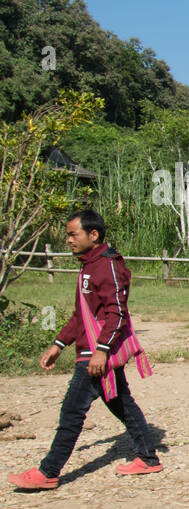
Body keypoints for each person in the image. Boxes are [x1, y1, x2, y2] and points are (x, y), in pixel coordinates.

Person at [7, 210, 161, 490]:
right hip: (90, 348)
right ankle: (148, 458)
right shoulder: (89, 265)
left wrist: (102, 350)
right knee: (121, 403)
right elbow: (81, 315)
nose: (68, 240)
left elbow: (117, 313)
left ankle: (49, 471)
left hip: (96, 352)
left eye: (72, 234)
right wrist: (58, 343)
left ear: (93, 235)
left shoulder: (108, 266)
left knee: (71, 411)